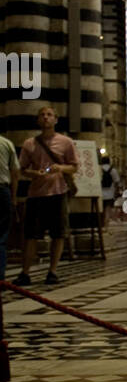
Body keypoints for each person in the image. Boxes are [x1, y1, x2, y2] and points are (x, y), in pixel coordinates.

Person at [14, 106, 79, 287]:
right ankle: (25, 272)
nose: (45, 118)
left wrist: (60, 168)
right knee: (31, 235)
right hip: (36, 194)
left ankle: (52, 271)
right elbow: (23, 169)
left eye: (49, 115)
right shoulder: (30, 144)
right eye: (42, 115)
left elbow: (74, 166)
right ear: (38, 120)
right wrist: (35, 173)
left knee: (58, 234)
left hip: (58, 192)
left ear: (55, 120)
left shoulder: (66, 142)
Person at [0, 127, 20, 283]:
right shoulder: (6, 143)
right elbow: (15, 172)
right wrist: (13, 197)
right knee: (0, 237)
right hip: (2, 191)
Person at [100, 156, 121, 229]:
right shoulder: (113, 170)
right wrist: (116, 191)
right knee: (107, 210)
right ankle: (106, 226)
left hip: (100, 193)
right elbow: (117, 181)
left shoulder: (99, 169)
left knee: (101, 210)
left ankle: (101, 225)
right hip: (110, 193)